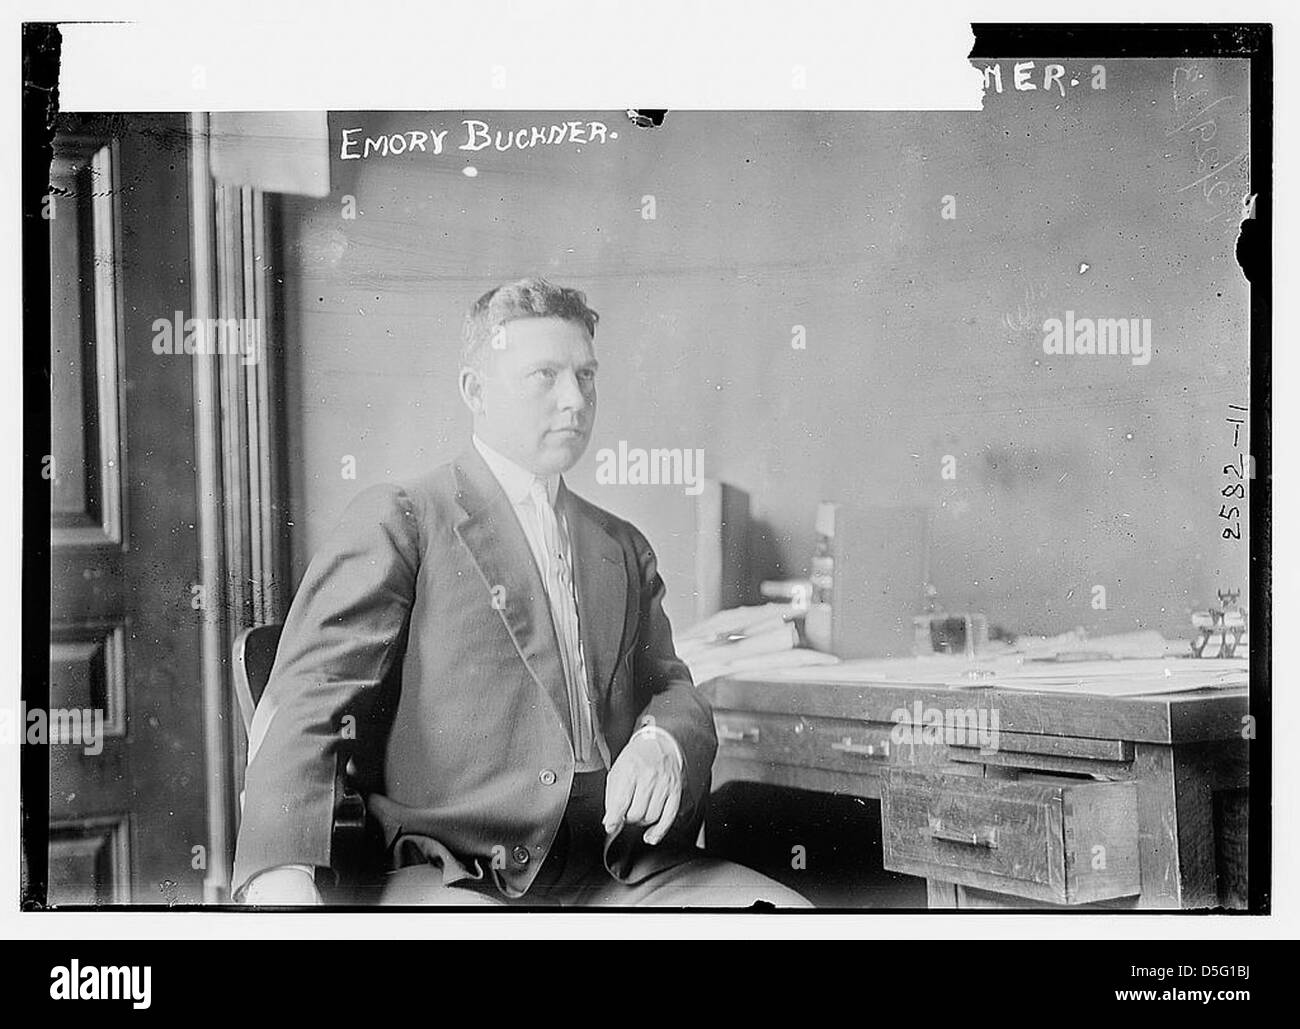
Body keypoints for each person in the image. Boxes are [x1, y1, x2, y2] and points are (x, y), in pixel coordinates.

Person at [233, 277, 809, 908]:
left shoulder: (621, 546)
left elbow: (673, 687)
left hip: (614, 867)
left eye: (586, 376)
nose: (575, 399)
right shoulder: (403, 518)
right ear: (475, 391)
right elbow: (308, 700)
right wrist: (279, 877)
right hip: (456, 874)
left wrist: (661, 740)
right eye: (545, 375)